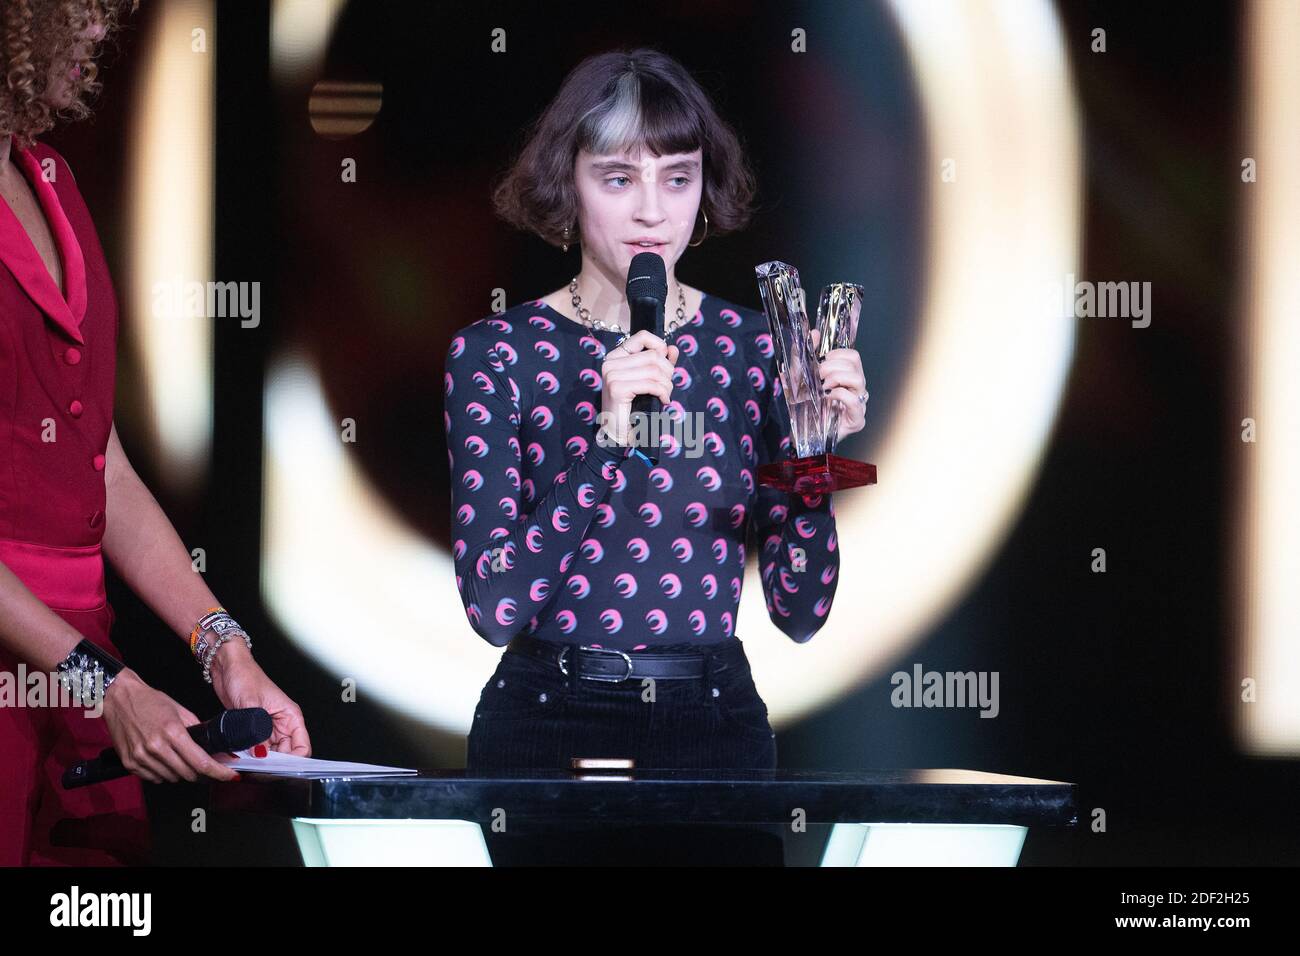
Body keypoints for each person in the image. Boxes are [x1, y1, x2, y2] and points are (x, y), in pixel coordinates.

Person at [444, 48, 869, 864]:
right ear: (567, 184)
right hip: (548, 721)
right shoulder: (498, 352)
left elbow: (801, 609)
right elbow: (495, 606)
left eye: (677, 178)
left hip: (712, 723)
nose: (652, 212)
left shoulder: (753, 349)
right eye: (617, 178)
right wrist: (606, 438)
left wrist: (814, 456)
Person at [0, 0, 310, 866]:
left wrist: (223, 649)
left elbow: (105, 471)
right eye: (80, 11)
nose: (99, 33)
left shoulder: (51, 178)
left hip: (83, 677)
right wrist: (101, 682)